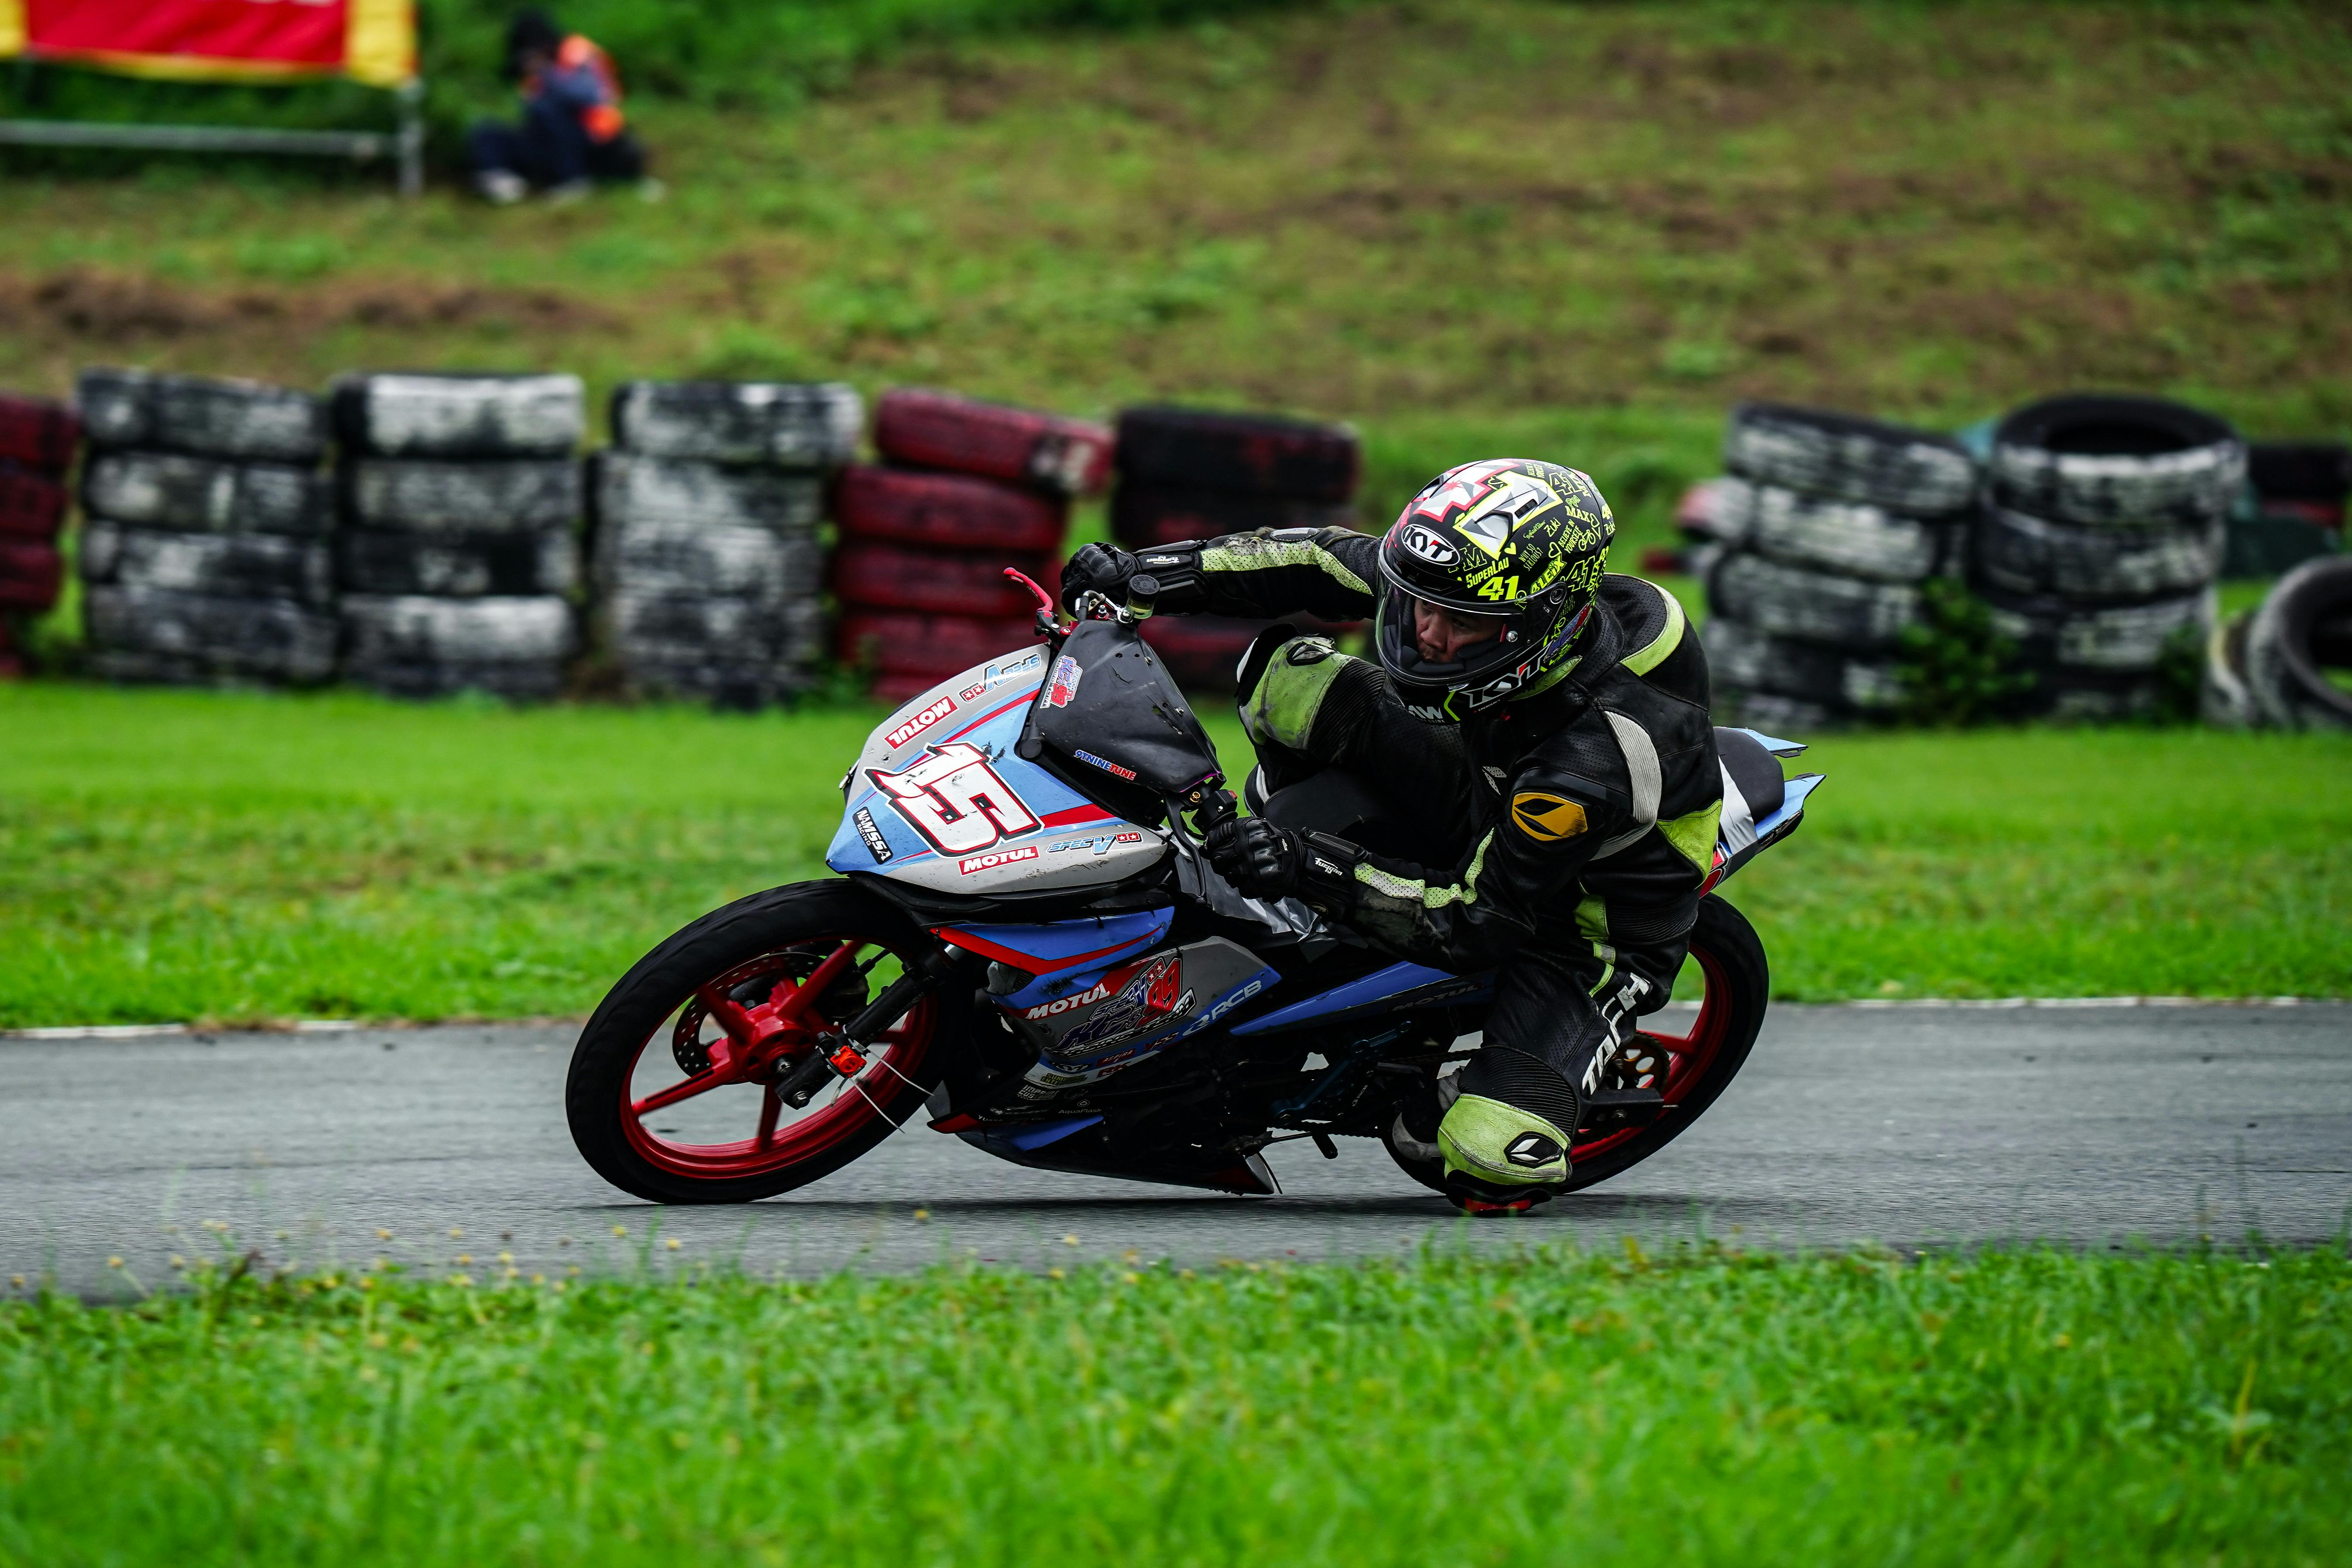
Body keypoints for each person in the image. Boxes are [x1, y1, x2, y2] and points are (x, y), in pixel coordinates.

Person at [1061, 459, 1722, 1214]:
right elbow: (1313, 558)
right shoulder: (1484, 581)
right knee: (1289, 677)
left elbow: (1476, 922)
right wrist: (1146, 575)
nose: (1429, 635)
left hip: (1578, 915)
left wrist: (1306, 862)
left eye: (1462, 623)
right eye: (1418, 607)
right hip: (1491, 770)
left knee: (1474, 1157)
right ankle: (1345, 909)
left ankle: (1472, 1061)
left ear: (1547, 621)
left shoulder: (1587, 766)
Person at [468, 9, 647, 205]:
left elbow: (592, 95)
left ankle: (572, 180)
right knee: (485, 130)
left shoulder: (577, 52)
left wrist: (546, 73)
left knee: (547, 110)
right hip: (552, 143)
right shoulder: (530, 71)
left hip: (598, 141)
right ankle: (502, 181)